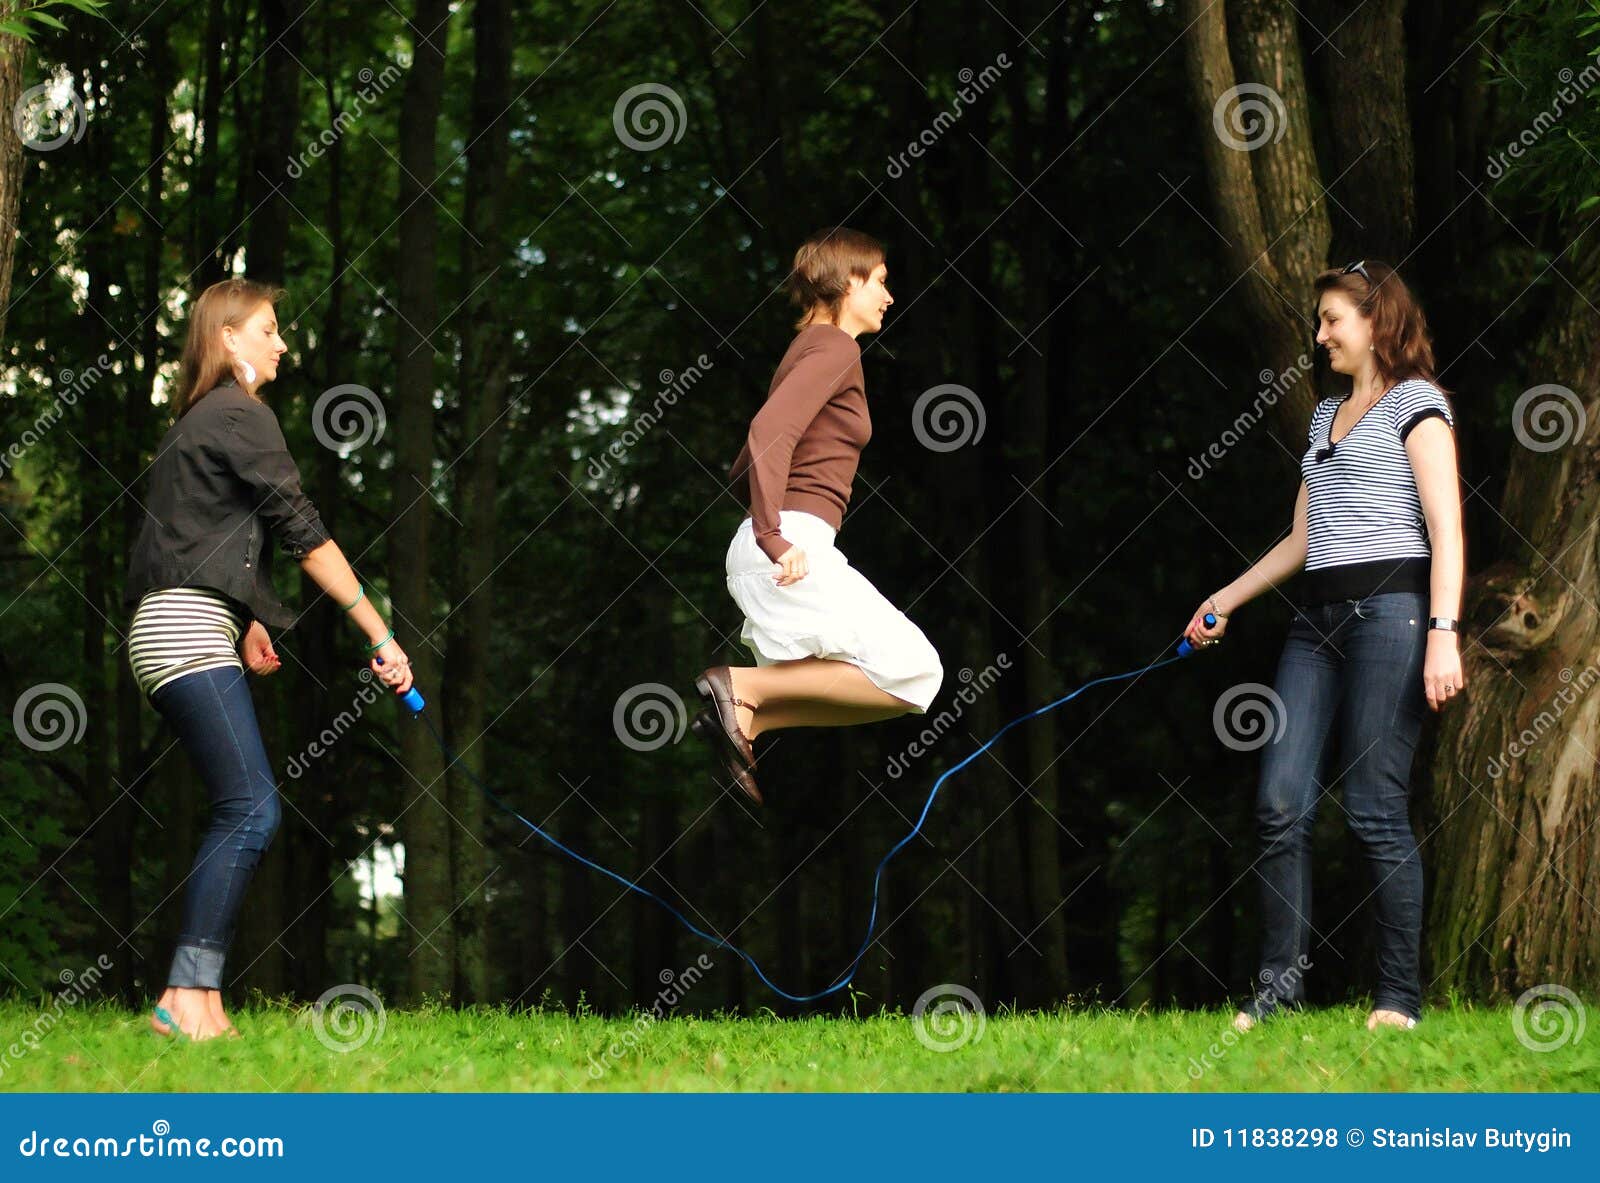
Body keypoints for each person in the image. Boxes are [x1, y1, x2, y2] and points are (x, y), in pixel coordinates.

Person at [124, 277, 414, 1040]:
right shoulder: (242, 413)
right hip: (185, 628)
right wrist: (380, 635)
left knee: (239, 804)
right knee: (250, 807)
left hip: (171, 625)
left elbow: (195, 534)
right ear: (228, 337)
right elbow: (304, 533)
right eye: (270, 328)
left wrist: (247, 617)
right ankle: (186, 995)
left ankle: (205, 1001)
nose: (282, 342)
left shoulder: (196, 419)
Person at [1182, 259, 1465, 1032]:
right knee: (1279, 802)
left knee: (1374, 806)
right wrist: (1225, 599)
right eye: (1319, 321)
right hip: (1317, 624)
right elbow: (1305, 538)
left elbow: (1446, 530)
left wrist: (1444, 634)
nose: (1320, 335)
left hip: (1396, 616)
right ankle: (1276, 992)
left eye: (1332, 319)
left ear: (1377, 321)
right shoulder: (1323, 416)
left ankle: (1398, 999)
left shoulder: (1419, 405)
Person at [692, 228, 943, 805]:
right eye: (879, 281)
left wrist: (768, 528)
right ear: (846, 280)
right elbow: (763, 435)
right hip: (789, 547)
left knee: (892, 678)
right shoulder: (834, 347)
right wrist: (774, 535)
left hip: (781, 545)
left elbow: (744, 464)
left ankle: (750, 717)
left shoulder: (809, 349)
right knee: (917, 671)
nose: (888, 295)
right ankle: (743, 689)